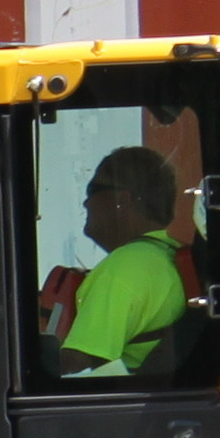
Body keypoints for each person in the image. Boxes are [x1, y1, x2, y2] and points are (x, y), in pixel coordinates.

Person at [54, 145, 198, 379]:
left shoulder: (124, 267)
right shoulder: (163, 256)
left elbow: (77, 366)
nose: (86, 203)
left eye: (92, 191)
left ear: (121, 199)